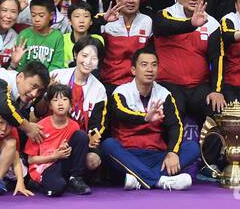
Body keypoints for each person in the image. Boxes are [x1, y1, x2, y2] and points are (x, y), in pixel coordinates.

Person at [95, 49, 197, 191]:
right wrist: (145, 118)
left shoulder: (164, 94)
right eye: (144, 65)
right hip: (128, 155)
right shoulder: (120, 92)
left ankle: (141, 179)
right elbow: (121, 113)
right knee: (108, 145)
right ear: (133, 70)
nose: (150, 69)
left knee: (192, 147)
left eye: (154, 65)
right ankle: (160, 180)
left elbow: (176, 125)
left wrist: (172, 152)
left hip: (156, 156)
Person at [151, 0, 223, 128]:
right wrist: (191, 24)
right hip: (168, 84)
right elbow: (165, 26)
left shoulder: (213, 24)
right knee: (174, 114)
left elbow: (217, 59)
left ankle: (210, 152)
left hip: (199, 86)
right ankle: (171, 151)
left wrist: (216, 91)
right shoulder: (164, 15)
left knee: (218, 110)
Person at [22, 83, 92, 197]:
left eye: (64, 99)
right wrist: (54, 156)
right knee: (56, 189)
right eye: (56, 100)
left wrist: (65, 149)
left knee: (82, 136)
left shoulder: (74, 125)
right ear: (50, 105)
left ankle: (76, 178)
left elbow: (72, 149)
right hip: (44, 166)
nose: (60, 103)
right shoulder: (40, 127)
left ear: (70, 104)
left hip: (61, 162)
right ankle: (36, 183)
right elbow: (30, 160)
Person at [52, 38, 107, 176]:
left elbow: (97, 121)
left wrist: (93, 138)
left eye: (94, 58)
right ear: (76, 55)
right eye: (84, 55)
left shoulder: (99, 88)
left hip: (82, 139)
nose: (88, 61)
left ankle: (74, 176)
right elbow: (40, 109)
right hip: (55, 134)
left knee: (93, 160)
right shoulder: (57, 75)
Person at [98, 0, 153, 89]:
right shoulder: (105, 20)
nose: (131, 0)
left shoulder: (147, 21)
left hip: (138, 84)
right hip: (110, 81)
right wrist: (103, 20)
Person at [15, 0, 68, 71]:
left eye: (41, 15)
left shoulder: (57, 36)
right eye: (33, 15)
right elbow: (20, 65)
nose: (36, 19)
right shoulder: (24, 34)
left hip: (49, 79)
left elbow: (57, 65)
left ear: (51, 15)